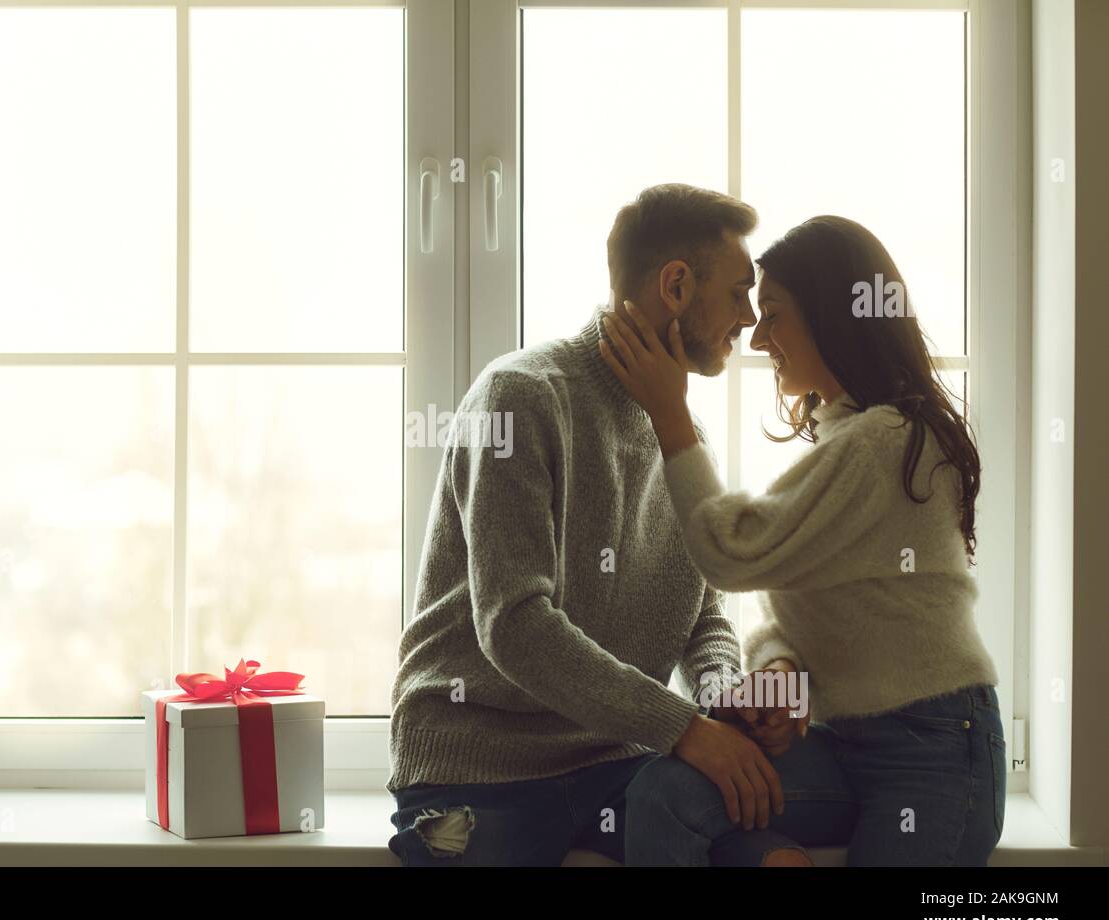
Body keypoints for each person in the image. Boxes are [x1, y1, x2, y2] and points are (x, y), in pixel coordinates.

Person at [386, 185, 858, 867]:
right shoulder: (520, 398)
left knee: (777, 857)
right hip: (478, 773)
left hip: (621, 763)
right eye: (737, 293)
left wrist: (728, 702)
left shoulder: (683, 436)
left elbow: (704, 618)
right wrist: (685, 730)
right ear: (675, 284)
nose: (749, 320)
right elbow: (515, 625)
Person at [599, 214, 1006, 866]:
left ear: (833, 319)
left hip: (933, 747)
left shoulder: (889, 440)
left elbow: (734, 554)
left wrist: (669, 414)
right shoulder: (846, 435)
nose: (758, 339)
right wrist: (780, 666)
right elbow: (786, 599)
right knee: (665, 797)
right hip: (843, 742)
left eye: (775, 315)